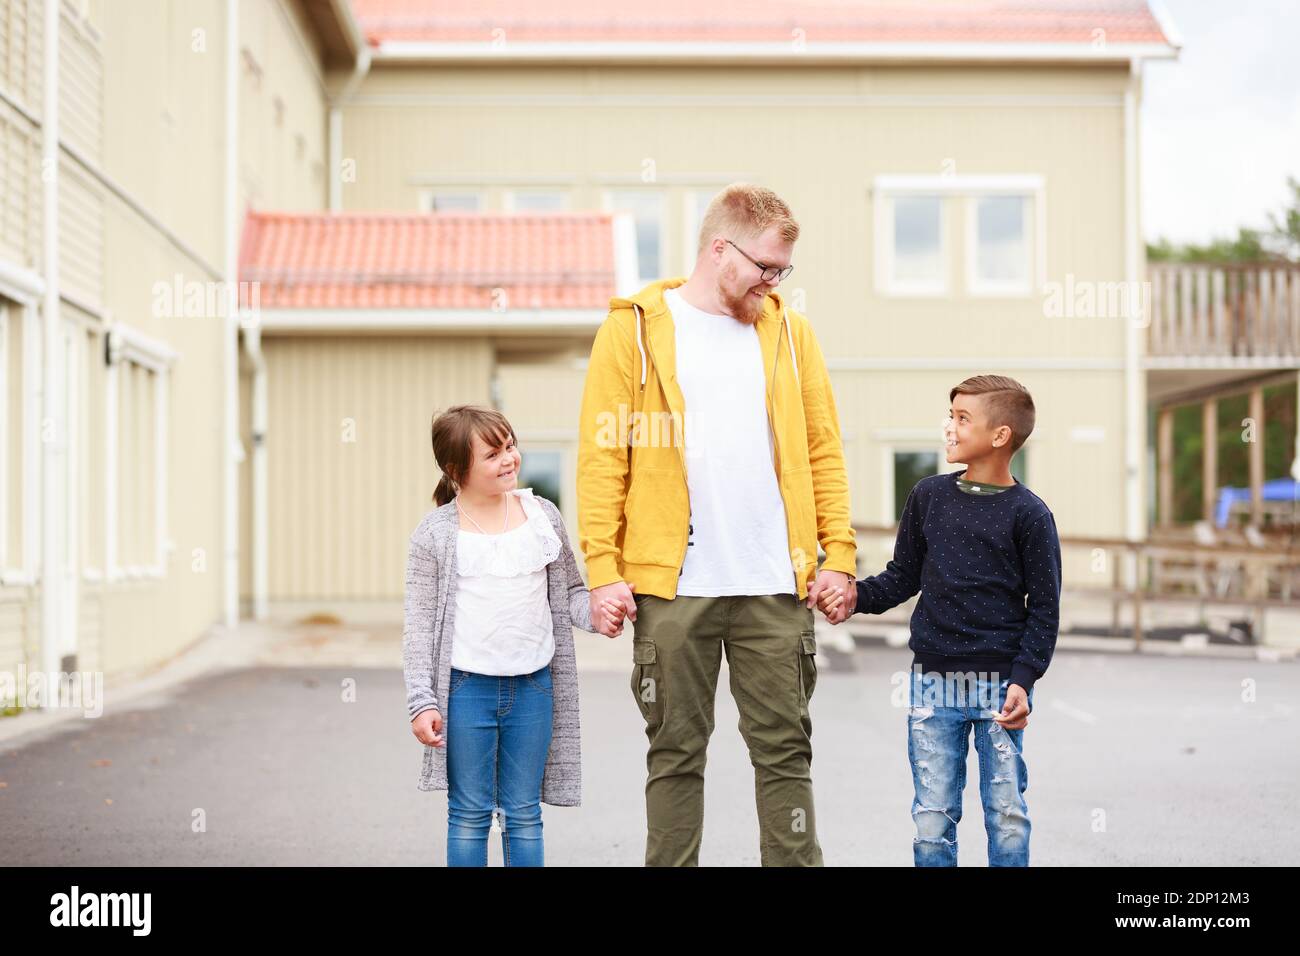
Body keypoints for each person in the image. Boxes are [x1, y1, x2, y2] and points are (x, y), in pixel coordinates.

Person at [577, 183, 857, 866]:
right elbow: (602, 456)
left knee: (786, 754)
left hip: (774, 584)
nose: (775, 281)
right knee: (674, 755)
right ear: (718, 250)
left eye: (783, 270)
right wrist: (604, 571)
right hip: (673, 588)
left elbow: (824, 448)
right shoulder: (634, 330)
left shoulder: (792, 335)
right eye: (766, 267)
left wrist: (840, 555)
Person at [821, 374, 1062, 866]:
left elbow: (1044, 608)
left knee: (1007, 813)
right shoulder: (928, 496)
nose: (948, 428)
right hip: (933, 684)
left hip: (1000, 686)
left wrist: (1024, 678)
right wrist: (853, 598)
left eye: (961, 418)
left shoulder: (1030, 515)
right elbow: (901, 577)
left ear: (1000, 436)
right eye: (950, 416)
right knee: (932, 817)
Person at [402, 404, 625, 866]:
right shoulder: (435, 535)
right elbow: (420, 626)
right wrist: (422, 700)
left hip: (534, 688)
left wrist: (598, 616)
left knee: (524, 814)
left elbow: (570, 592)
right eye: (492, 454)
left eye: (510, 446)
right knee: (468, 813)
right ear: (455, 469)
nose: (509, 459)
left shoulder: (541, 514)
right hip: (466, 691)